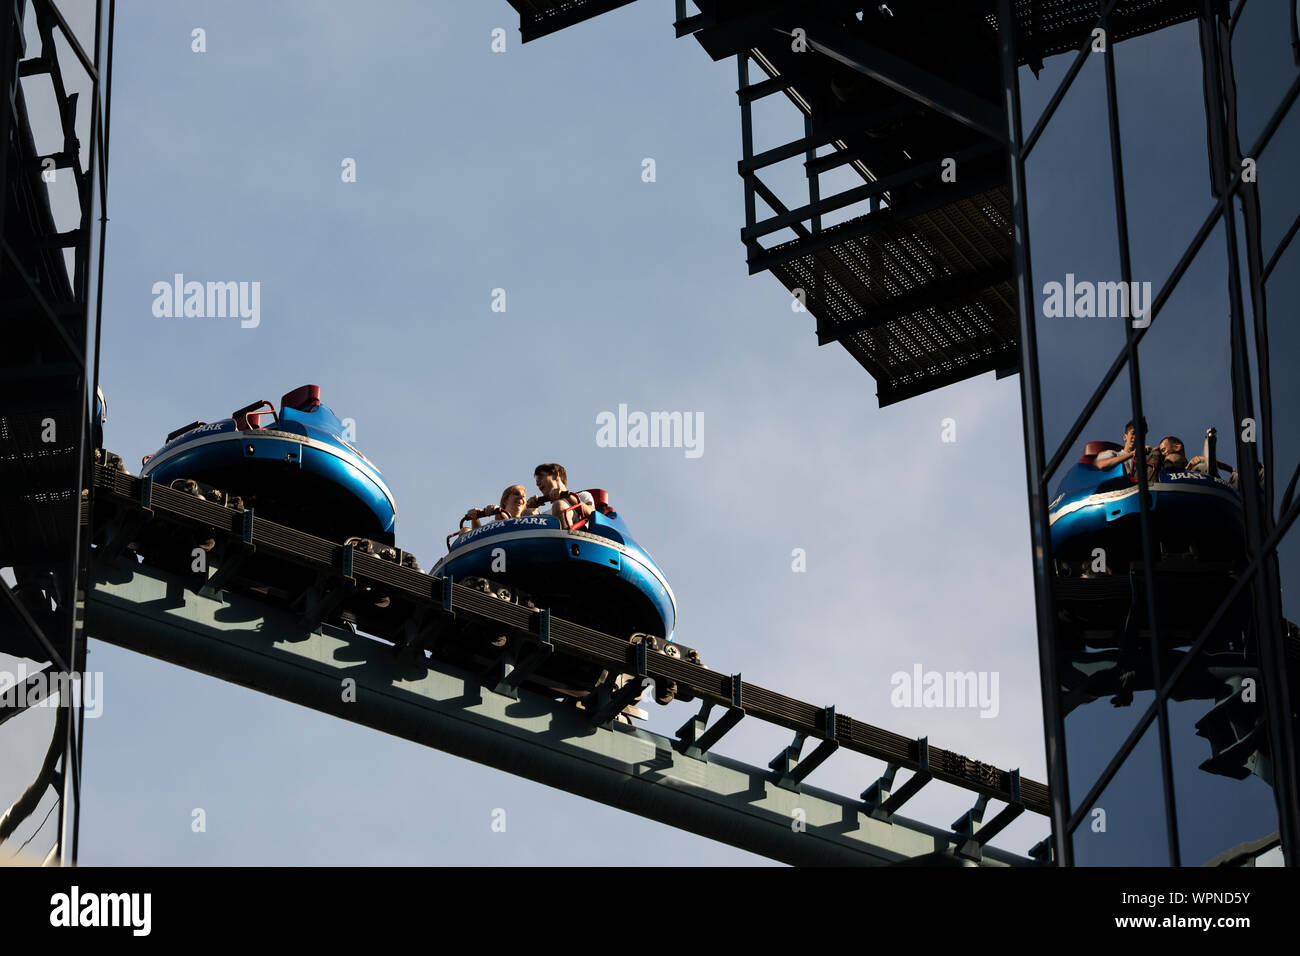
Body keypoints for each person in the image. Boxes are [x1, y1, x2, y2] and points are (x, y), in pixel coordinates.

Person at [527, 462, 594, 530]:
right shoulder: (547, 512)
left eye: (541, 477)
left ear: (556, 475)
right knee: (527, 513)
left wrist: (567, 496)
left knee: (558, 505)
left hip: (578, 534)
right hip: (546, 538)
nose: (537, 484)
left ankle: (565, 538)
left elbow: (593, 515)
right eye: (537, 482)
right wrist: (531, 508)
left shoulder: (582, 496)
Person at [463, 484, 529, 529]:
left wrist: (500, 513)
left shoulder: (529, 522)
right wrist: (475, 518)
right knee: (465, 530)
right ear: (505, 500)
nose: (521, 497)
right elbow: (478, 539)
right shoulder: (492, 524)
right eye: (516, 494)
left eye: (523, 496)